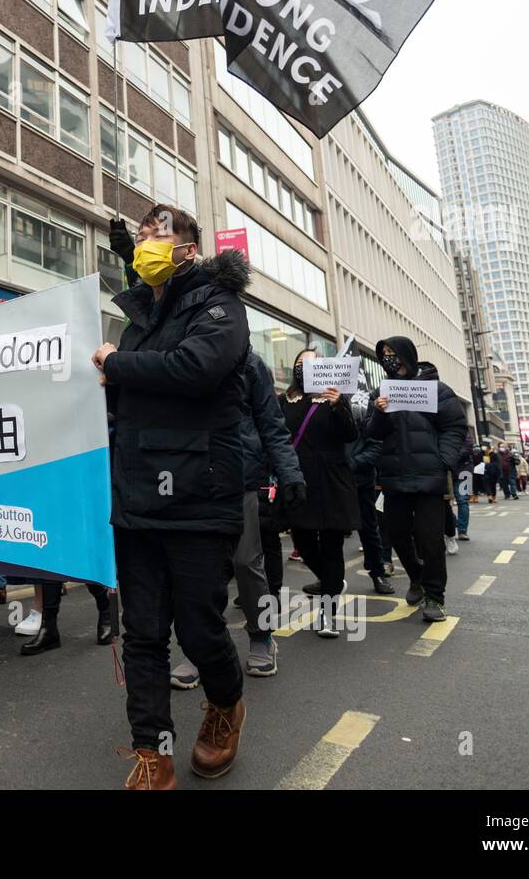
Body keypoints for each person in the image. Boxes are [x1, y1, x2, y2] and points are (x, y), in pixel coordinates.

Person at [96, 205, 250, 790]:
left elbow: (194, 369)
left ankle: (226, 703)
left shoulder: (218, 304)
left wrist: (117, 364)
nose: (145, 243)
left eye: (157, 234)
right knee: (143, 633)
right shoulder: (142, 316)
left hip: (198, 495)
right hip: (136, 496)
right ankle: (153, 754)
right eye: (140, 236)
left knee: (198, 627)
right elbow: (128, 396)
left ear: (188, 247)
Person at [172, 347, 306, 685]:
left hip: (240, 479)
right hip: (190, 479)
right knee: (197, 569)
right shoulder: (178, 354)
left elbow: (272, 425)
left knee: (247, 563)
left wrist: (289, 472)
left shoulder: (250, 363)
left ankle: (262, 637)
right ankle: (199, 648)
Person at [367, 336, 467, 624]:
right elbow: (372, 434)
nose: (388, 358)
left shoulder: (436, 390)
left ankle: (435, 596)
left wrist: (443, 460)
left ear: (406, 355)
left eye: (392, 353)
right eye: (383, 354)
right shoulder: (382, 392)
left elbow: (455, 427)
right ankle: (417, 578)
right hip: (394, 479)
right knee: (397, 535)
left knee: (430, 540)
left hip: (429, 479)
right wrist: (379, 413)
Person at [280, 348, 360, 637]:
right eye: (300, 363)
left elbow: (351, 434)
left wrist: (340, 405)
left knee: (331, 546)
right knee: (301, 538)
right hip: (298, 481)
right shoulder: (284, 400)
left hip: (332, 481)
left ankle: (328, 614)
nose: (305, 367)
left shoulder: (333, 397)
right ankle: (332, 581)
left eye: (311, 363)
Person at [349, 390, 395, 595]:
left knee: (368, 531)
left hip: (361, 481)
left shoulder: (366, 410)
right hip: (336, 481)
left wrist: (350, 465)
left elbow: (375, 448)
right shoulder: (328, 407)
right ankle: (326, 578)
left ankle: (378, 573)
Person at [452, 429, 473, 542]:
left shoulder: (465, 431)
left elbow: (467, 448)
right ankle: (454, 523)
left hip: (465, 471)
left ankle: (462, 530)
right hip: (446, 471)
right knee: (443, 502)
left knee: (463, 501)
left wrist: (450, 457)